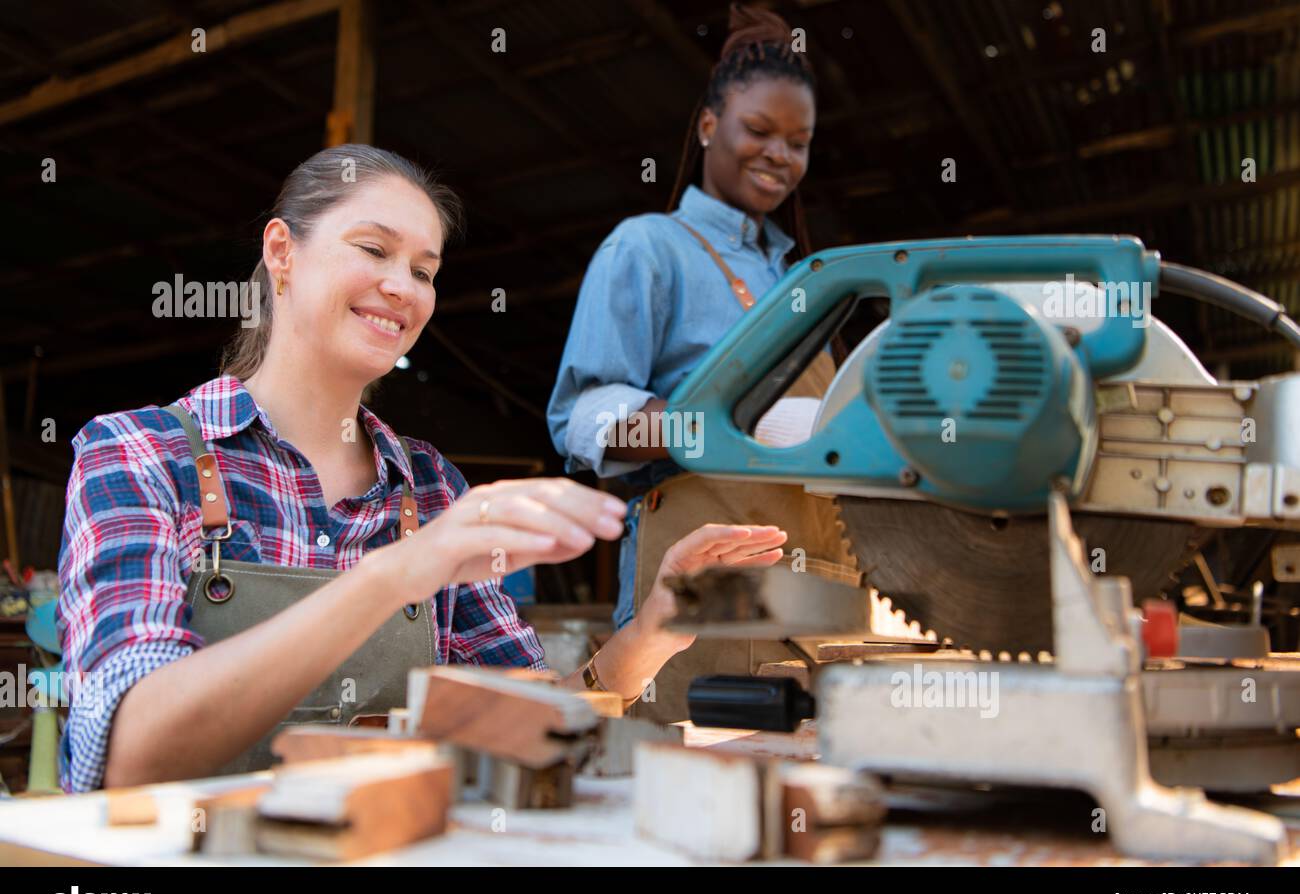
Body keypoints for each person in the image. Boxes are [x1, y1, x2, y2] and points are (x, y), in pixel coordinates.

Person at [57, 144, 787, 792]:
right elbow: (131, 753)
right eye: (373, 250)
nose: (403, 288)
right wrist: (397, 574)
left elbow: (522, 716)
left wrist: (652, 631)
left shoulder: (431, 488)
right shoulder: (137, 454)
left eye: (424, 270)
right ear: (281, 251)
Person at [547, 4, 860, 723]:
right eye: (759, 131)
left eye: (798, 141)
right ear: (710, 126)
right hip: (700, 615)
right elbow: (581, 420)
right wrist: (728, 426)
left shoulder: (804, 279)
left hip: (821, 614)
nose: (780, 156)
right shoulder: (648, 248)